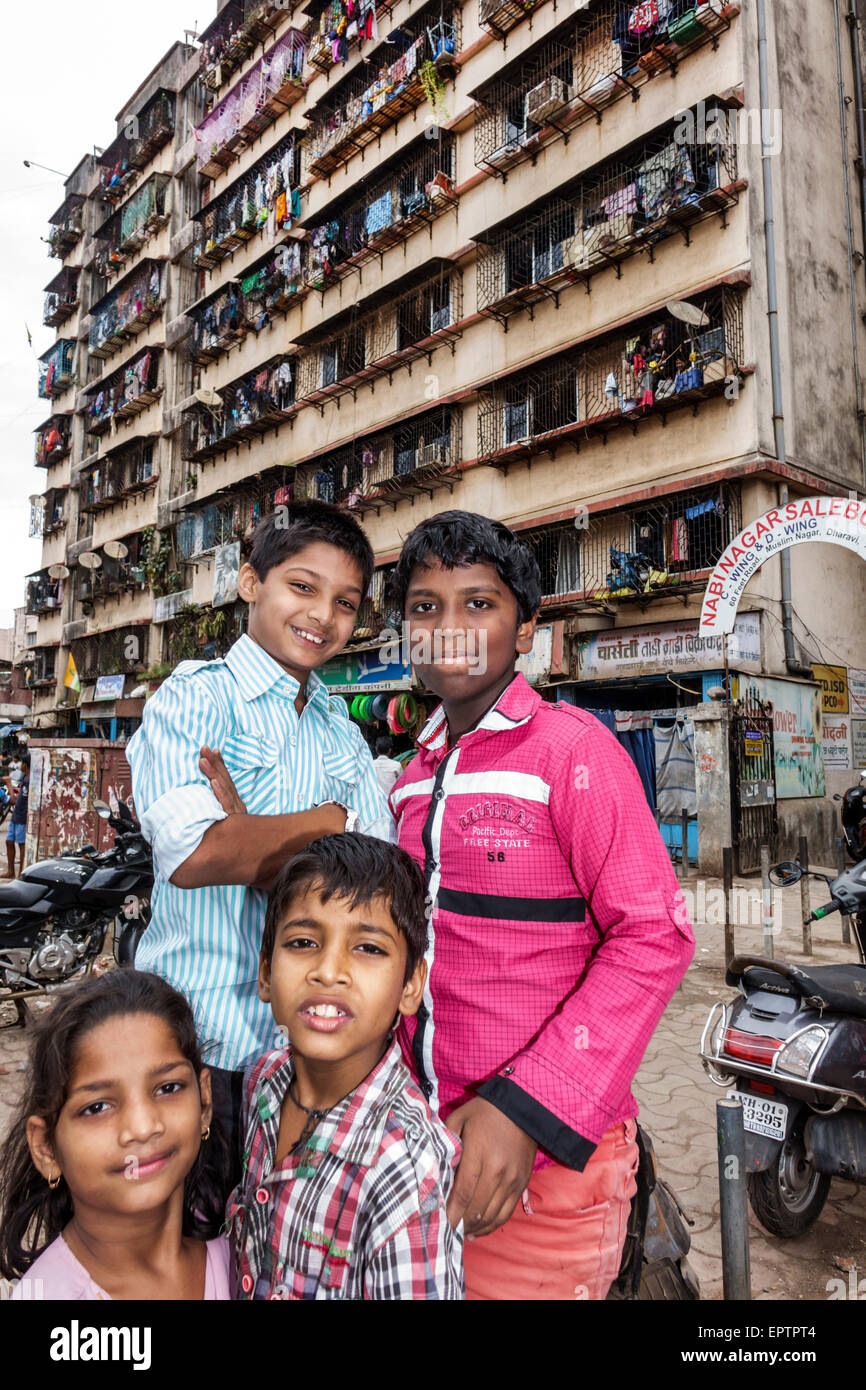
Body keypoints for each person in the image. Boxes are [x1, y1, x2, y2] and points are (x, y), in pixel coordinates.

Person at [386, 510, 695, 1301]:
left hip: (550, 1168)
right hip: (424, 1154)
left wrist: (524, 1110)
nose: (450, 627)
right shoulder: (410, 778)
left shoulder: (572, 750)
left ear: (527, 630)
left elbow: (653, 936)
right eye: (425, 607)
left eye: (479, 603)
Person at [126, 504, 393, 1191]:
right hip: (195, 1053)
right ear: (250, 582)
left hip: (308, 1060)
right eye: (302, 587)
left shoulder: (342, 732)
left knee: (278, 1265)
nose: (323, 616)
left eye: (345, 602)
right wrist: (331, 824)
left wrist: (252, 838)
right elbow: (196, 856)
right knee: (189, 1260)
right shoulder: (197, 698)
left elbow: (374, 883)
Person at [226, 833, 464, 1300]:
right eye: (302, 941)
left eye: (369, 948)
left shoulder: (404, 1170)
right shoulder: (264, 1081)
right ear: (266, 975)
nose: (329, 971)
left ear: (411, 986)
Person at [0, 971, 231, 1300]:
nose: (142, 1127)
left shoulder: (245, 1252)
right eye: (97, 1107)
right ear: (46, 1148)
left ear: (205, 1101)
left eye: (168, 1087)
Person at [4, 752, 30, 879]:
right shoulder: (25, 779)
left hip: (21, 817)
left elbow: (13, 800)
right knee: (9, 841)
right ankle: (10, 871)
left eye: (22, 764)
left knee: (21, 844)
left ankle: (20, 874)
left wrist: (9, 784)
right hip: (15, 816)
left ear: (26, 765)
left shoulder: (29, 780)